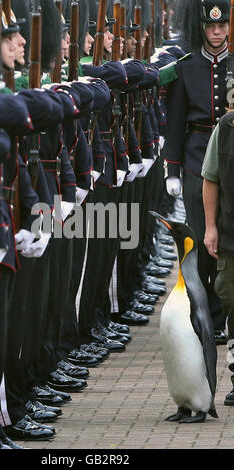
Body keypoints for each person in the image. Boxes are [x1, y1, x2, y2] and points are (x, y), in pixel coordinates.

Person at [164, 0, 230, 343]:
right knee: (199, 241)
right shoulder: (186, 67)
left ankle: (220, 316)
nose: (216, 32)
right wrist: (172, 169)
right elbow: (175, 123)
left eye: (221, 26)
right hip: (195, 160)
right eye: (210, 26)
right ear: (201, 27)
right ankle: (199, 310)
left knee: (225, 239)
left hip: (229, 163)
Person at [202, 108, 234, 405]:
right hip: (231, 232)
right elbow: (211, 177)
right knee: (231, 298)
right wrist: (210, 226)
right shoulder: (226, 127)